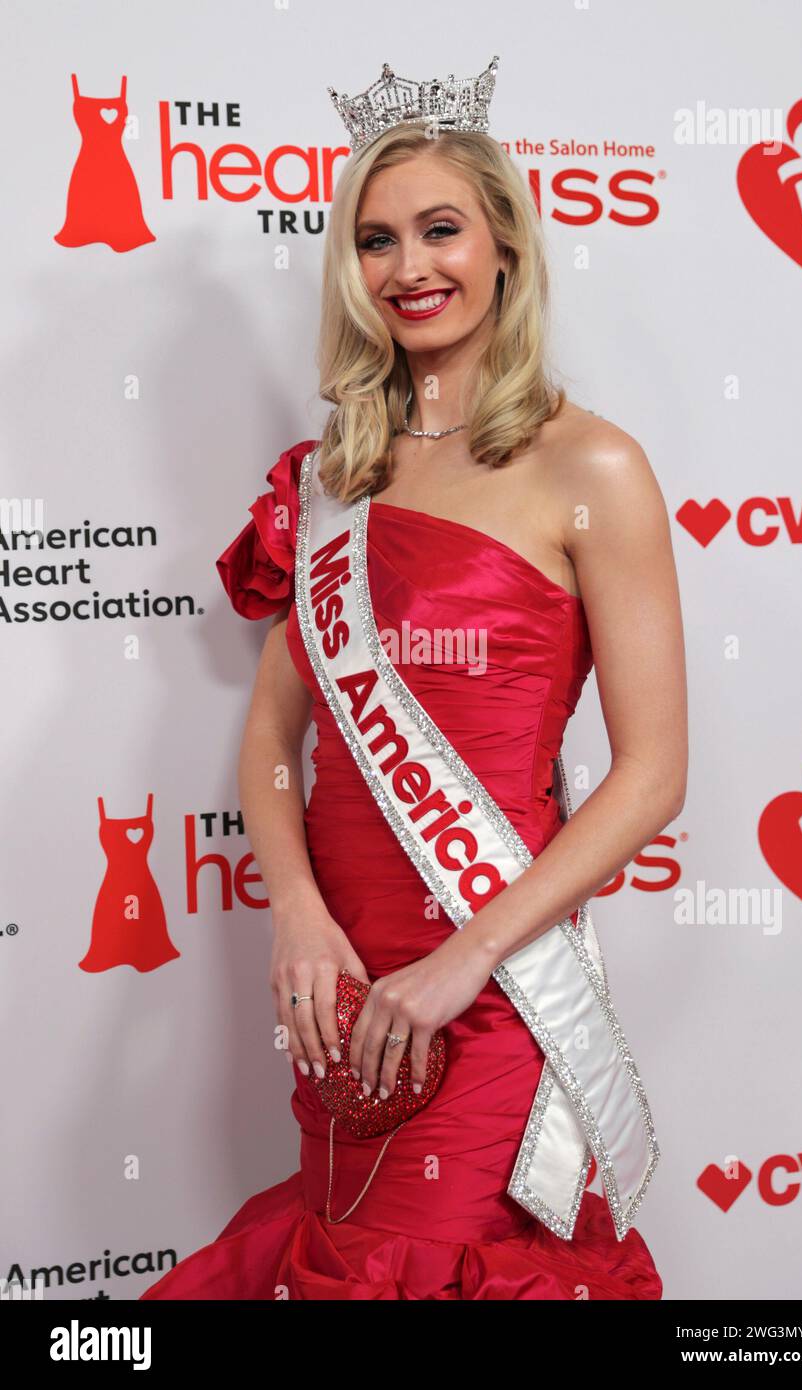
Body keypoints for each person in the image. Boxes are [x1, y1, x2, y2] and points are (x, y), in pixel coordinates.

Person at [141, 57, 686, 1301]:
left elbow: (652, 773)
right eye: (376, 241)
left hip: (495, 971)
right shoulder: (336, 480)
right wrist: (293, 908)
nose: (408, 267)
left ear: (503, 244)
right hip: (336, 975)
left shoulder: (588, 465)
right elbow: (274, 731)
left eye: (440, 228)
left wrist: (461, 961)